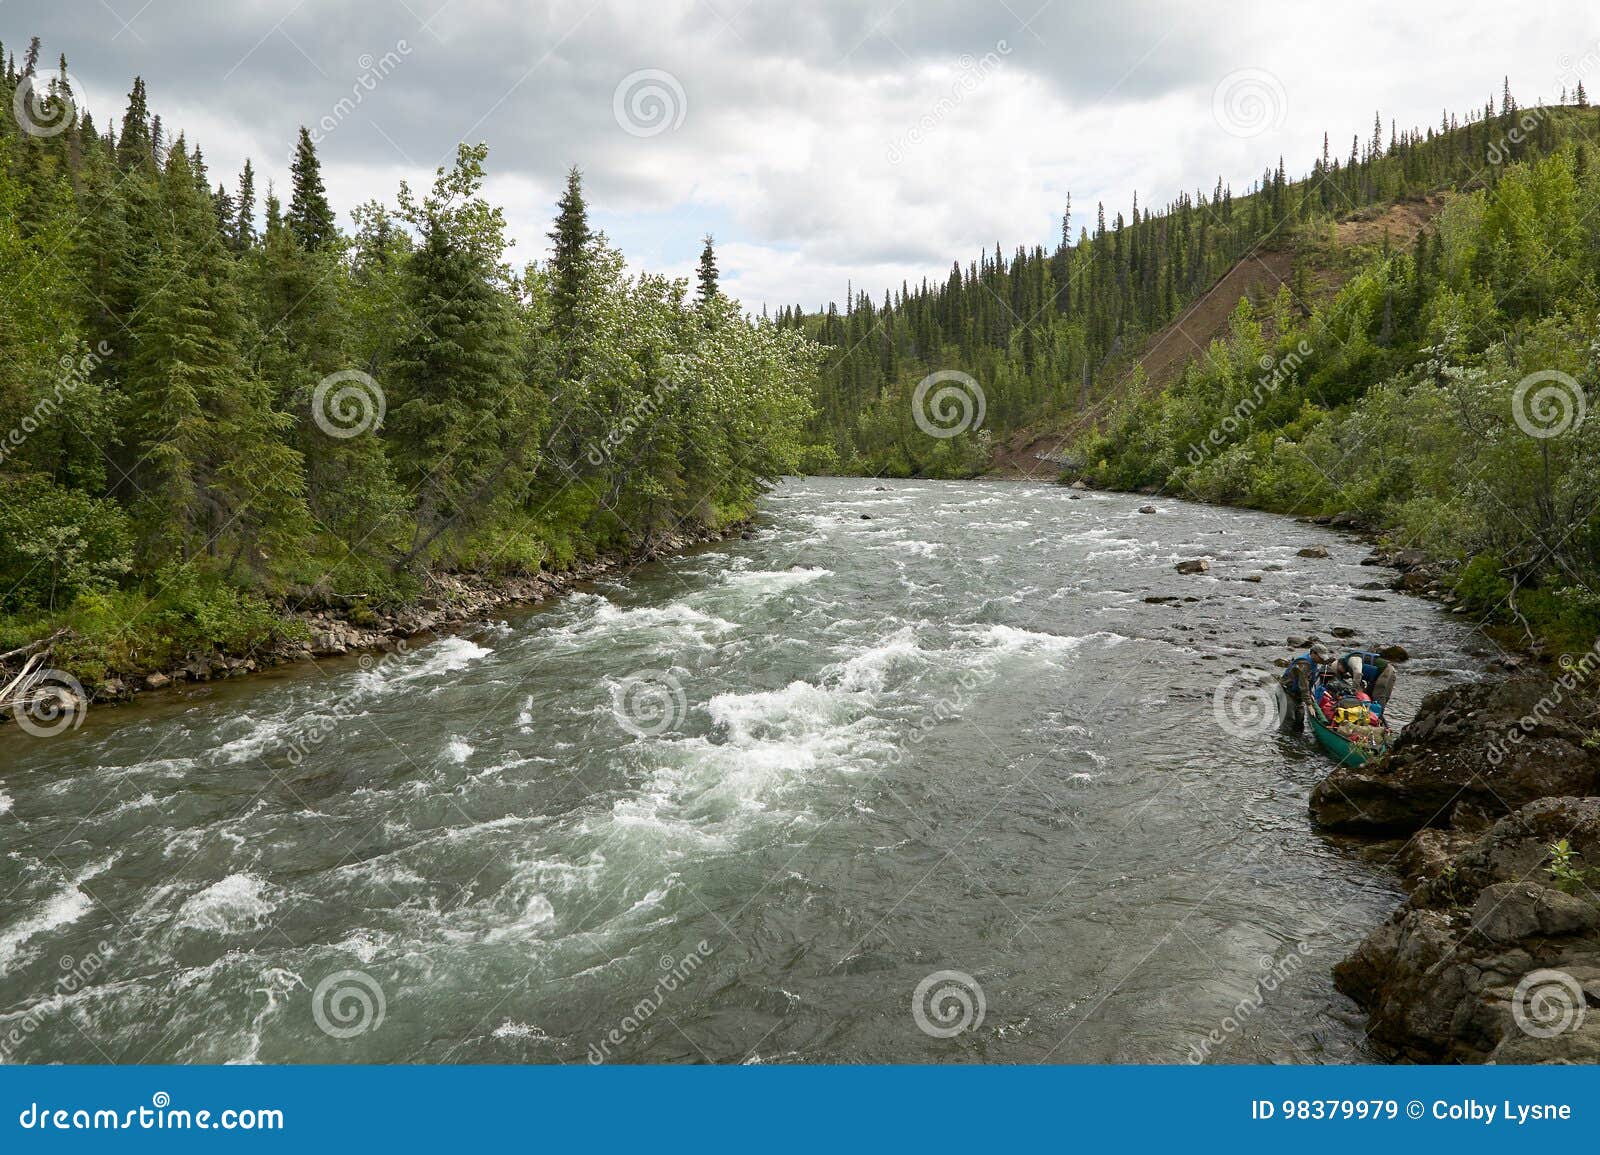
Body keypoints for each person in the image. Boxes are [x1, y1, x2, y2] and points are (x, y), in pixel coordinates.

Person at [1278, 643, 1334, 732]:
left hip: (1297, 695)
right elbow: (1303, 684)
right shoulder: (1303, 663)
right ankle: (1284, 742)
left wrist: (1310, 695)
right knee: (1288, 722)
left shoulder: (1314, 663)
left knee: (1299, 721)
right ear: (1313, 653)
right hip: (1286, 692)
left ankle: (1296, 741)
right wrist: (1309, 704)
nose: (1322, 659)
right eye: (1320, 657)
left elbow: (1309, 682)